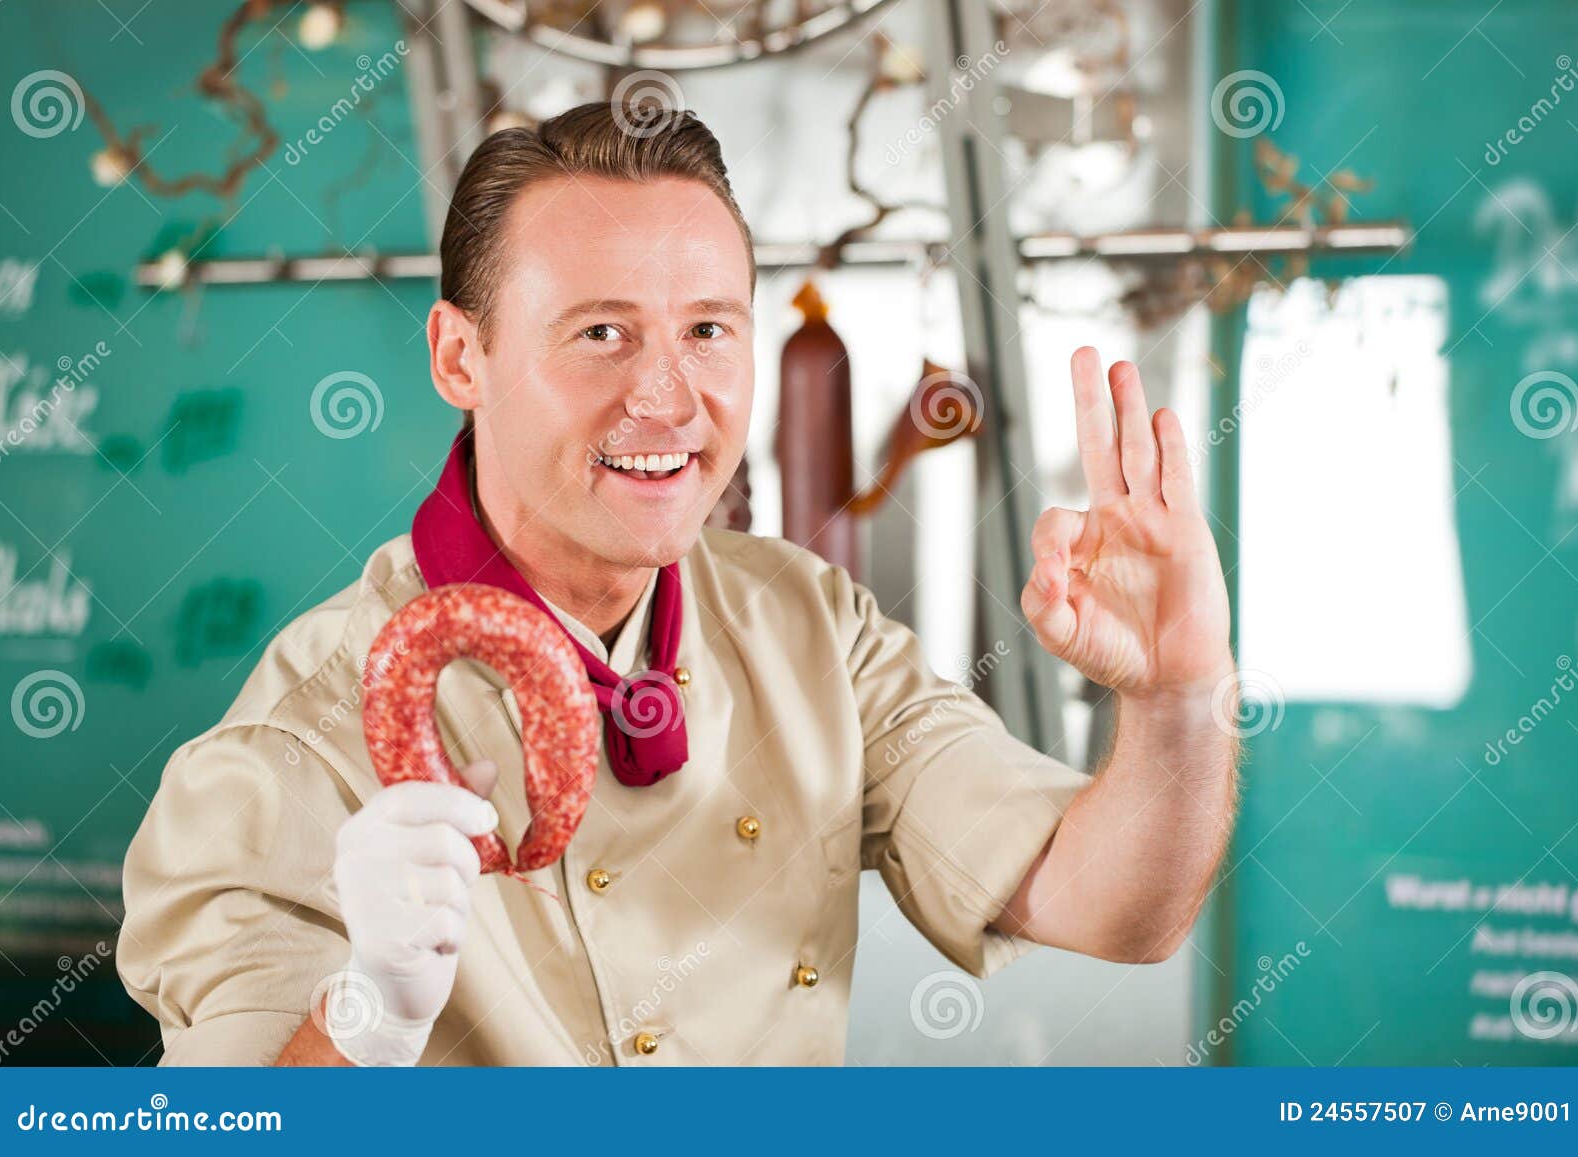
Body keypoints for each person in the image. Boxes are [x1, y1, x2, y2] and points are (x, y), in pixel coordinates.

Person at [116, 101, 1238, 1066]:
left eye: (708, 329)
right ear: (461, 357)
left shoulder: (813, 627)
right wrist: (367, 1011)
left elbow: (1117, 907)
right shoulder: (298, 742)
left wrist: (1178, 695)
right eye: (600, 332)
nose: (666, 397)